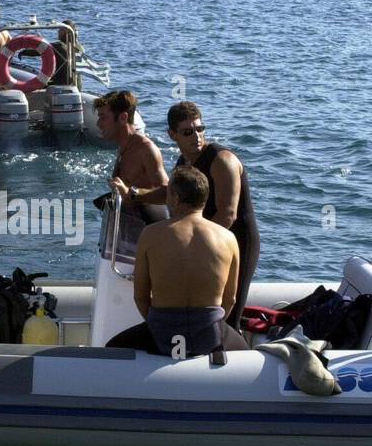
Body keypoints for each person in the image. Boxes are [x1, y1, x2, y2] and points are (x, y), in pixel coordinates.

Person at [111, 101, 260, 332]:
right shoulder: (184, 162)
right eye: (188, 132)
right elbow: (171, 194)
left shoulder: (222, 160)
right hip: (205, 238)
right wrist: (134, 193)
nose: (197, 137)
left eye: (200, 129)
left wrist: (196, 248)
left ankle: (232, 350)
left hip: (234, 241)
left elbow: (228, 214)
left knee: (228, 314)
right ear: (172, 135)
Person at [106, 166, 248, 357]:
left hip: (162, 329)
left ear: (175, 198)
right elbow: (229, 300)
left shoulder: (151, 234)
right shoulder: (228, 238)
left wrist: (159, 325)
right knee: (248, 356)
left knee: (111, 349)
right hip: (209, 332)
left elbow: (140, 297)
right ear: (205, 198)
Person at [49, 20, 76, 85]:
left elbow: (39, 50)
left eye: (60, 29)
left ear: (65, 32)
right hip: (76, 85)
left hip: (60, 83)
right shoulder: (79, 48)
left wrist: (24, 51)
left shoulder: (58, 46)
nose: (58, 31)